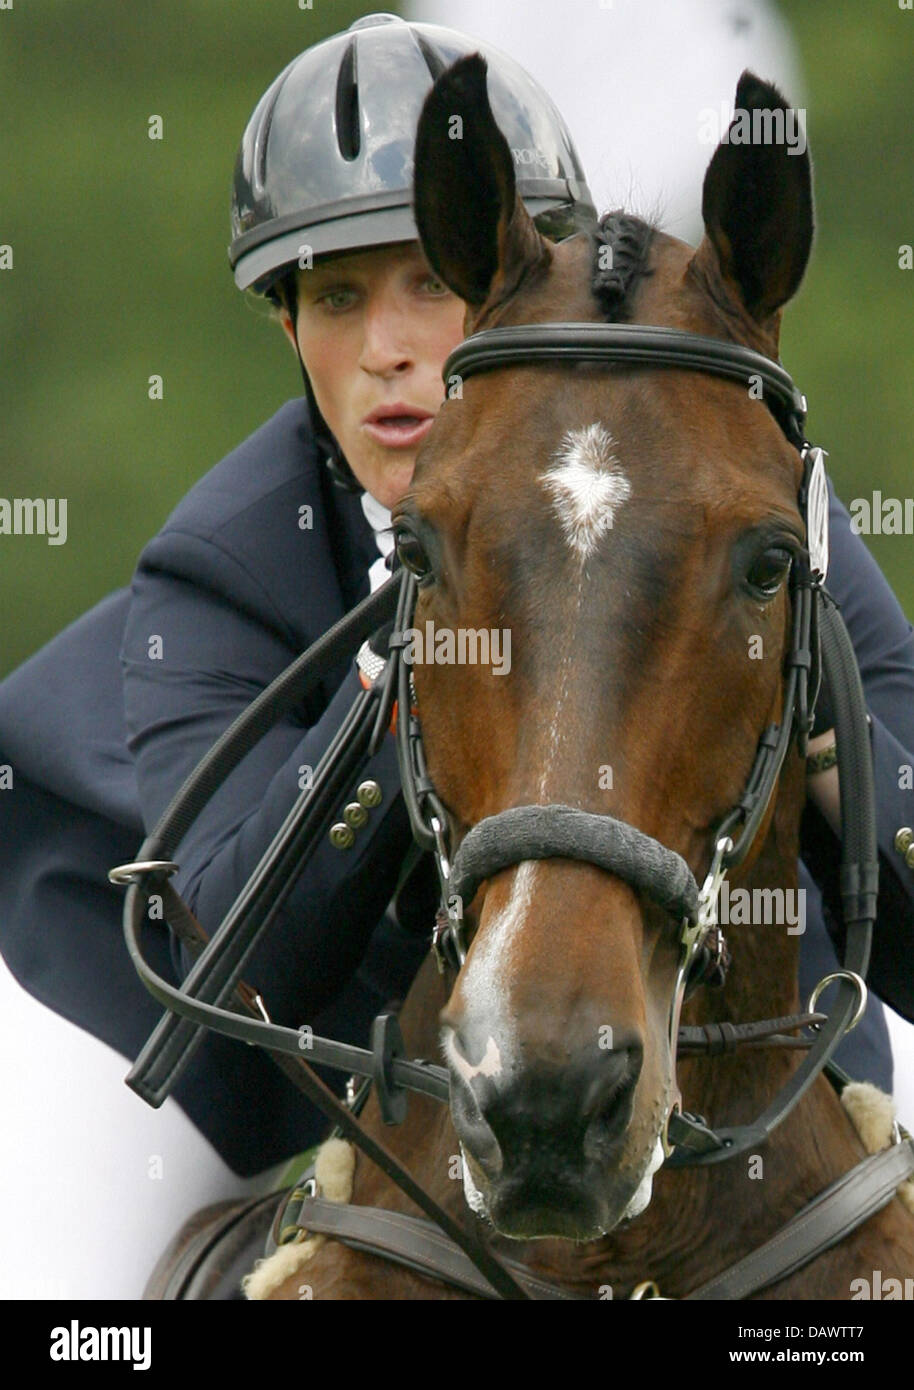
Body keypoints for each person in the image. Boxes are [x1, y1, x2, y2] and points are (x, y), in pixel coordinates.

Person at [0, 11, 912, 1300]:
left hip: (656, 1020)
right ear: (286, 332)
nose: (388, 348)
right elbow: (252, 978)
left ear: (525, 277)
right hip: (159, 1018)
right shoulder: (221, 567)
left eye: (430, 279)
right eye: (335, 296)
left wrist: (812, 717)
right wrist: (421, 649)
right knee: (55, 1285)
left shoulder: (735, 511)